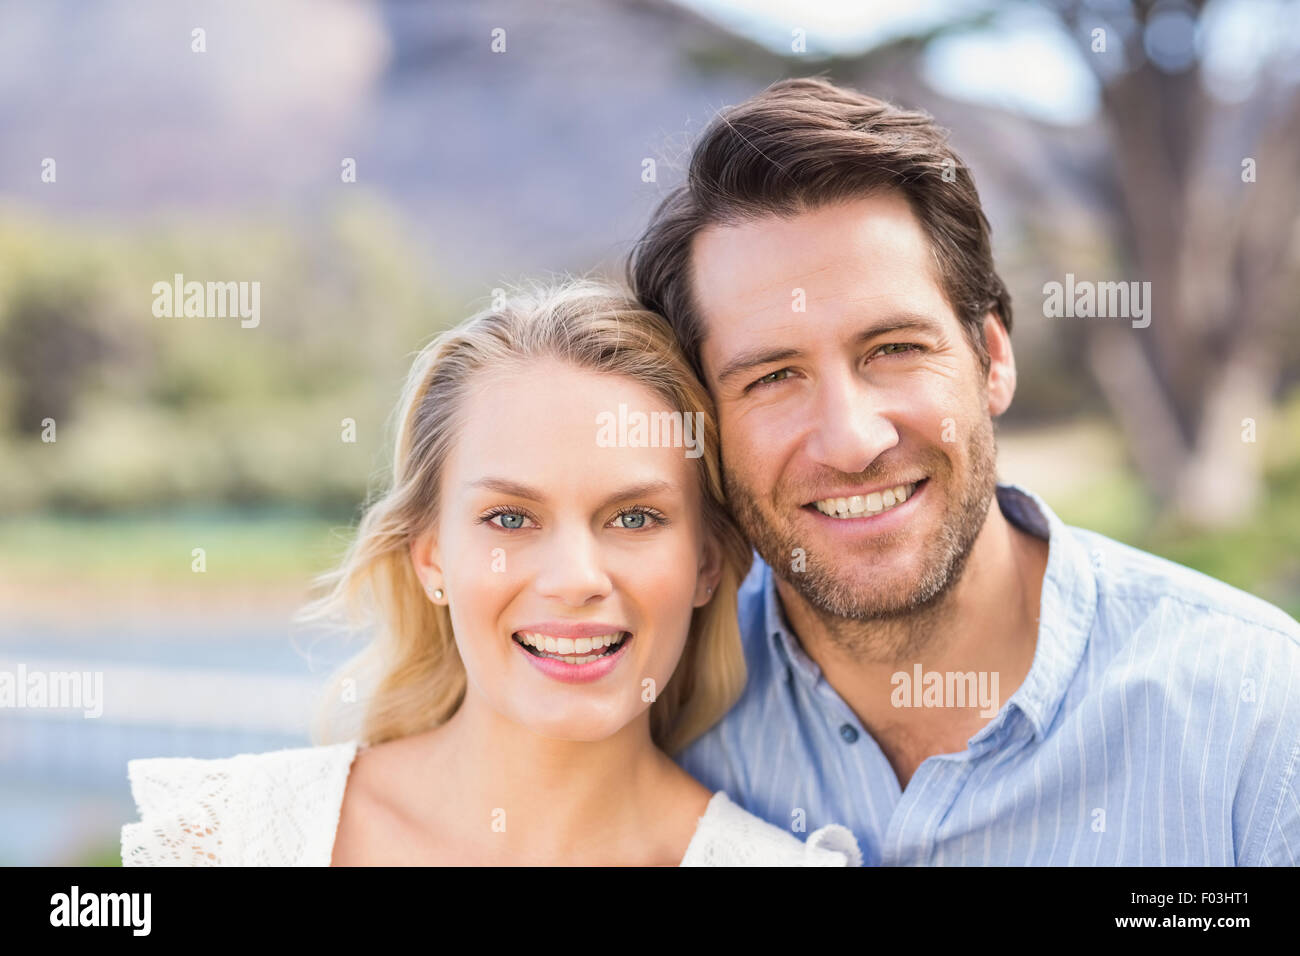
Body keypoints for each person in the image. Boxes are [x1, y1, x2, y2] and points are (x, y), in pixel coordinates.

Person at [627, 76, 1300, 865]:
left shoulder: (1260, 712)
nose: (852, 441)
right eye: (772, 376)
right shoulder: (645, 706)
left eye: (895, 349)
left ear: (993, 359)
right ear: (705, 421)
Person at [119, 278, 860, 866]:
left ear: (705, 562)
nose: (575, 579)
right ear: (431, 555)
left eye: (634, 518)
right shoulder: (229, 840)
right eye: (511, 518)